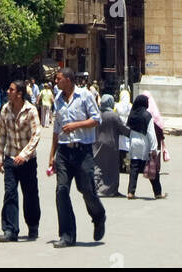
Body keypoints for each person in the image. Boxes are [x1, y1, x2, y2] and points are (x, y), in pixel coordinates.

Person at [48, 67, 106, 247]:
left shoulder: (85, 96)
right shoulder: (57, 99)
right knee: (61, 190)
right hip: (64, 152)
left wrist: (75, 125)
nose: (56, 82)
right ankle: (67, 235)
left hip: (83, 151)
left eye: (58, 79)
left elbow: (97, 119)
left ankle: (98, 216)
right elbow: (57, 129)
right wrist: (52, 155)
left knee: (86, 189)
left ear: (68, 79)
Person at [0, 80, 42, 242]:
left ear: (20, 93)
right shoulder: (5, 109)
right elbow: (1, 134)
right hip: (10, 157)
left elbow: (36, 135)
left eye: (11, 89)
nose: (8, 91)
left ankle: (33, 225)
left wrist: (24, 155)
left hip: (27, 160)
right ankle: (10, 230)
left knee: (30, 194)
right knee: (10, 193)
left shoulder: (31, 110)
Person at [125, 94, 165, 199]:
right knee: (152, 168)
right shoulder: (147, 115)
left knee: (134, 168)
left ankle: (131, 192)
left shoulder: (132, 114)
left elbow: (128, 128)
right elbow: (151, 133)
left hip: (133, 142)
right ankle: (158, 193)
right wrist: (154, 148)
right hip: (144, 143)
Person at [93, 94, 122, 197]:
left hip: (97, 143)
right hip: (111, 144)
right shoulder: (113, 115)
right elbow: (122, 128)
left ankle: (96, 189)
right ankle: (112, 190)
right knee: (112, 167)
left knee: (98, 165)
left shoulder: (97, 114)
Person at [115, 85, 132, 174]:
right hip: (127, 131)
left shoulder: (117, 106)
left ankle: (119, 166)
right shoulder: (131, 106)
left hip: (119, 130)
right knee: (127, 148)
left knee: (119, 149)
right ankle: (127, 165)